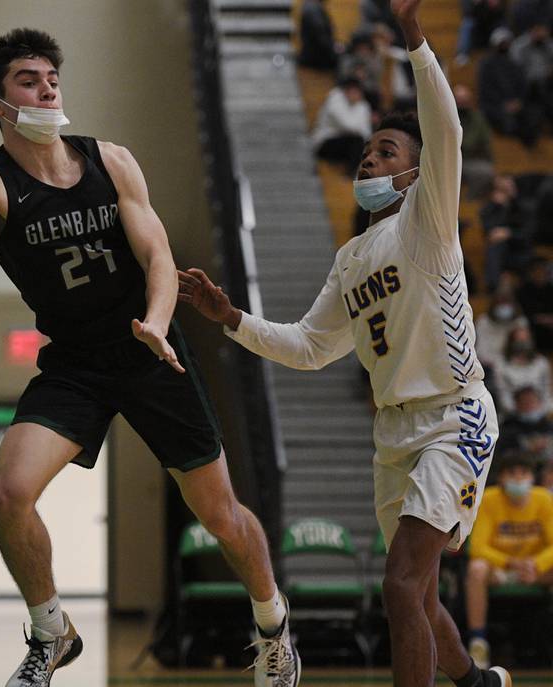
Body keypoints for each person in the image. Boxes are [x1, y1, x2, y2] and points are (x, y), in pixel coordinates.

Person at [0, 27, 299, 687]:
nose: (46, 87)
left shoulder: (111, 160)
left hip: (151, 352)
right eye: (27, 81)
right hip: (75, 364)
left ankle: (272, 625)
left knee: (220, 513)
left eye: (51, 78)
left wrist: (154, 322)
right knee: (8, 491)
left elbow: (157, 255)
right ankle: (51, 629)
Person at [178, 1, 510, 685]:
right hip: (393, 431)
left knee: (399, 583)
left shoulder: (427, 220)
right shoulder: (353, 255)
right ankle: (477, 682)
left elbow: (443, 129)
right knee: (414, 591)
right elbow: (308, 346)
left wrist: (414, 39)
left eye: (385, 151)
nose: (369, 157)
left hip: (454, 416)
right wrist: (231, 317)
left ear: (417, 174)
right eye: (366, 151)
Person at [465, 451, 553, 669]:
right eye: (512, 474)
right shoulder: (488, 499)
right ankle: (478, 643)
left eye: (524, 473)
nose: (518, 479)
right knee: (476, 569)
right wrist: (510, 563)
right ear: (501, 478)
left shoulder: (543, 499)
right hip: (500, 570)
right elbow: (477, 547)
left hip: (536, 570)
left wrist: (536, 564)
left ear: (532, 478)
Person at [312, 77, 372, 176]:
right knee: (356, 141)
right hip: (326, 142)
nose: (356, 95)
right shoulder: (334, 99)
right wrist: (358, 129)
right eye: (353, 92)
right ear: (346, 91)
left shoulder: (363, 106)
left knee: (363, 144)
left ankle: (355, 174)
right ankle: (351, 175)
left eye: (358, 92)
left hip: (348, 144)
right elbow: (347, 125)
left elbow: (366, 132)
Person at [492, 324, 552, 416]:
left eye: (525, 340)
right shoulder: (500, 364)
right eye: (519, 340)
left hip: (540, 412)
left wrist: (539, 411)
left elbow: (546, 392)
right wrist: (517, 411)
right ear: (511, 342)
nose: (522, 344)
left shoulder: (541, 362)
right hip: (512, 414)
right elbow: (502, 393)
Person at [454, 85, 494, 200]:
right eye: (459, 101)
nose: (461, 105)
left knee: (485, 171)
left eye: (464, 101)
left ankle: (469, 203)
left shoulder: (478, 119)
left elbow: (480, 143)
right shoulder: (445, 119)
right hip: (449, 160)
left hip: (470, 160)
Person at [499, 386, 553, 469]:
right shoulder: (507, 425)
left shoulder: (548, 424)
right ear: (516, 404)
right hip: (518, 469)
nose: (529, 405)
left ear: (540, 403)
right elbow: (502, 451)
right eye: (524, 401)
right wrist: (526, 447)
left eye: (532, 401)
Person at [298, 0, 340, 70]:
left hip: (317, 53)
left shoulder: (313, 7)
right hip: (315, 56)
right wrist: (333, 48)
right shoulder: (312, 8)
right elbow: (319, 34)